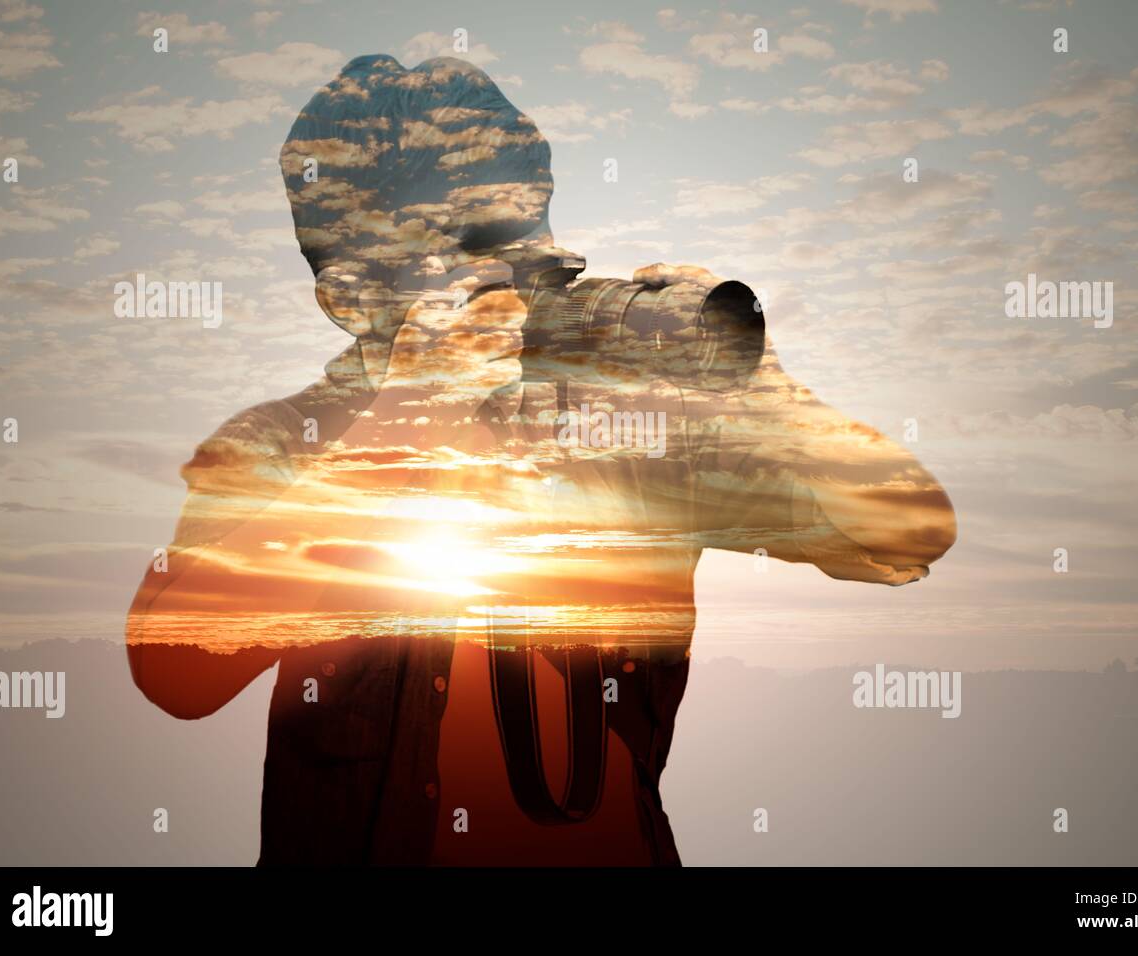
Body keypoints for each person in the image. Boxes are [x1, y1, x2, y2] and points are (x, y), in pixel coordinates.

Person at [126, 54, 957, 865]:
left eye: (542, 243)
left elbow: (906, 534)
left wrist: (768, 393)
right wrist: (401, 420)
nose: (536, 282)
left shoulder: (631, 427)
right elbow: (174, 673)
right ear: (352, 298)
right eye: (483, 256)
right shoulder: (282, 444)